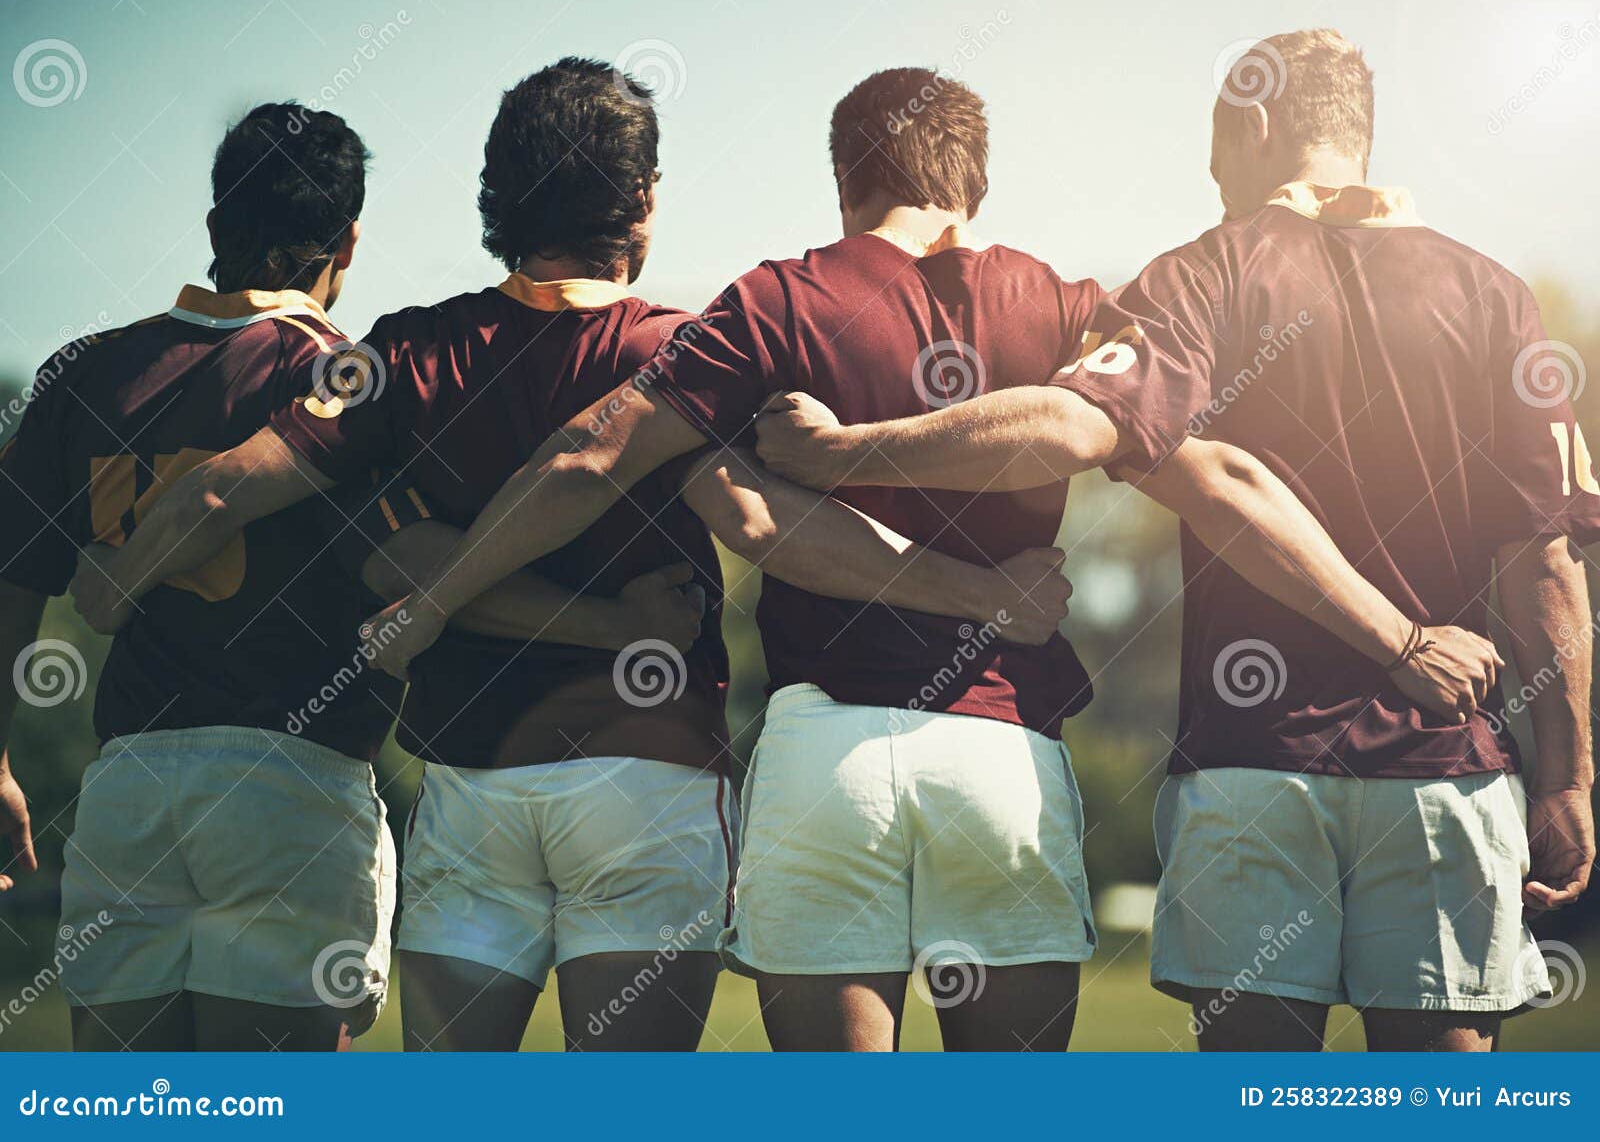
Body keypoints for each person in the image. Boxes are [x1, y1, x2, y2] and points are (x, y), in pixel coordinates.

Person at [290, 67, 1498, 1052]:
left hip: (826, 753)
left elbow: (592, 461)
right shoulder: (1071, 305)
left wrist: (439, 597)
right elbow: (1224, 479)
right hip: (1003, 754)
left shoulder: (770, 302)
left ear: (844, 176)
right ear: (972, 183)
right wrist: (1394, 633)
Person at [71, 59, 1074, 1051]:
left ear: (495, 193)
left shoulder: (406, 349)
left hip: (469, 780)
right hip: (646, 775)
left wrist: (114, 582)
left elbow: (238, 491)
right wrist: (978, 591)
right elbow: (763, 526)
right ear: (641, 200)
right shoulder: (678, 350)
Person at [752, 30, 1596, 1051]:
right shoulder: (1495, 296)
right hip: (1442, 766)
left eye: (1212, 144)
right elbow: (1546, 565)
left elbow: (1074, 426)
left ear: (1249, 126)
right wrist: (1564, 778)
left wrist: (842, 451)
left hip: (1253, 765)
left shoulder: (1199, 276)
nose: (1208, 172)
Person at [0, 104, 401, 1051]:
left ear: (217, 224)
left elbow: (11, 575)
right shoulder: (341, 374)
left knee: (124, 1108)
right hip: (288, 782)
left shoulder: (82, 370)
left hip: (129, 784)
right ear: (347, 240)